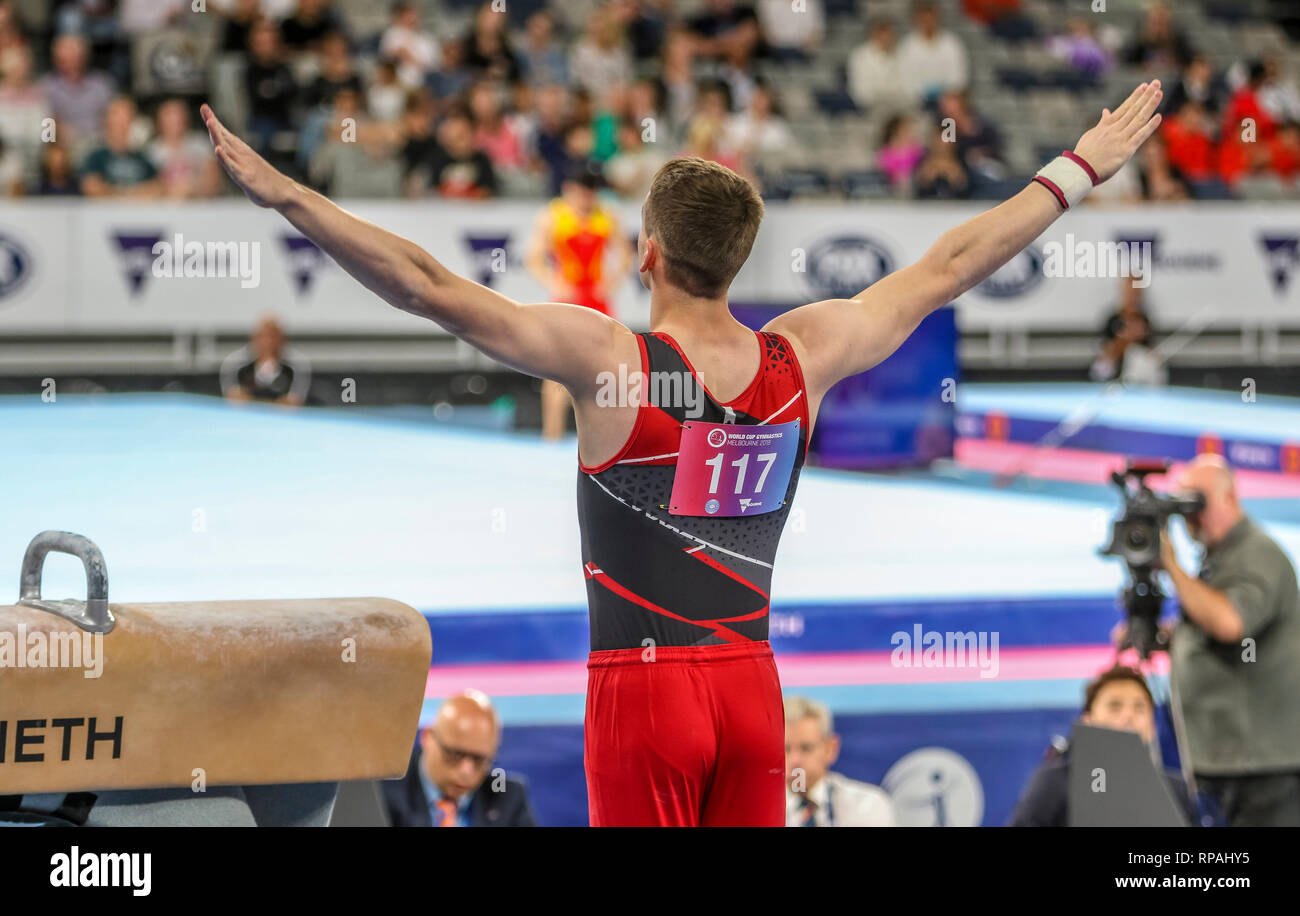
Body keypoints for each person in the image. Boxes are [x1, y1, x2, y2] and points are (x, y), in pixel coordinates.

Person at [201, 77, 1166, 826]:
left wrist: (290, 195)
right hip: (753, 688)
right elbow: (950, 266)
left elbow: (426, 286)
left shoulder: (610, 360)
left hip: (645, 689)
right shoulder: (805, 355)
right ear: (738, 258)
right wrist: (1076, 167)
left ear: (648, 252)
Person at [1159, 455, 1300, 826]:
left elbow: (1231, 622)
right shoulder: (1219, 557)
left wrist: (1171, 567)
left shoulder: (1257, 552)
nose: (1192, 516)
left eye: (1199, 503)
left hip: (1264, 769)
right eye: (1184, 506)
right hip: (1236, 763)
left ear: (1230, 499)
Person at [1008, 664, 1197, 826]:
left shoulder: (1175, 790)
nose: (1128, 716)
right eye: (1115, 706)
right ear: (1087, 720)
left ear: (1153, 727)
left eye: (1140, 708)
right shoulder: (1056, 781)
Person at [525, 161, 633, 441]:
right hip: (567, 301)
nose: (588, 197)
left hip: (598, 301)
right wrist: (554, 282)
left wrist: (612, 282)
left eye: (593, 191)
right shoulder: (553, 216)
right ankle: (552, 438)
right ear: (570, 189)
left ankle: (608, 440)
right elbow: (533, 258)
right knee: (556, 369)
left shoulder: (606, 216)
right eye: (584, 191)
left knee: (607, 371)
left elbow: (625, 253)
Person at [382, 692, 537, 827]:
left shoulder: (507, 796)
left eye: (480, 760)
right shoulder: (382, 792)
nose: (466, 771)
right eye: (454, 754)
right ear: (427, 737)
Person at [784, 696, 896, 826]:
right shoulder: (758, 809)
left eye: (806, 748)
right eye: (785, 749)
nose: (795, 760)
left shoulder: (868, 806)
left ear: (830, 749)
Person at [220, 315, 311, 405]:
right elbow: (235, 400)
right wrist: (272, 404)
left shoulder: (297, 366)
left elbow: (292, 404)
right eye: (263, 336)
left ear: (283, 339)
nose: (268, 342)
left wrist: (253, 402)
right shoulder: (235, 364)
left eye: (273, 336)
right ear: (254, 338)